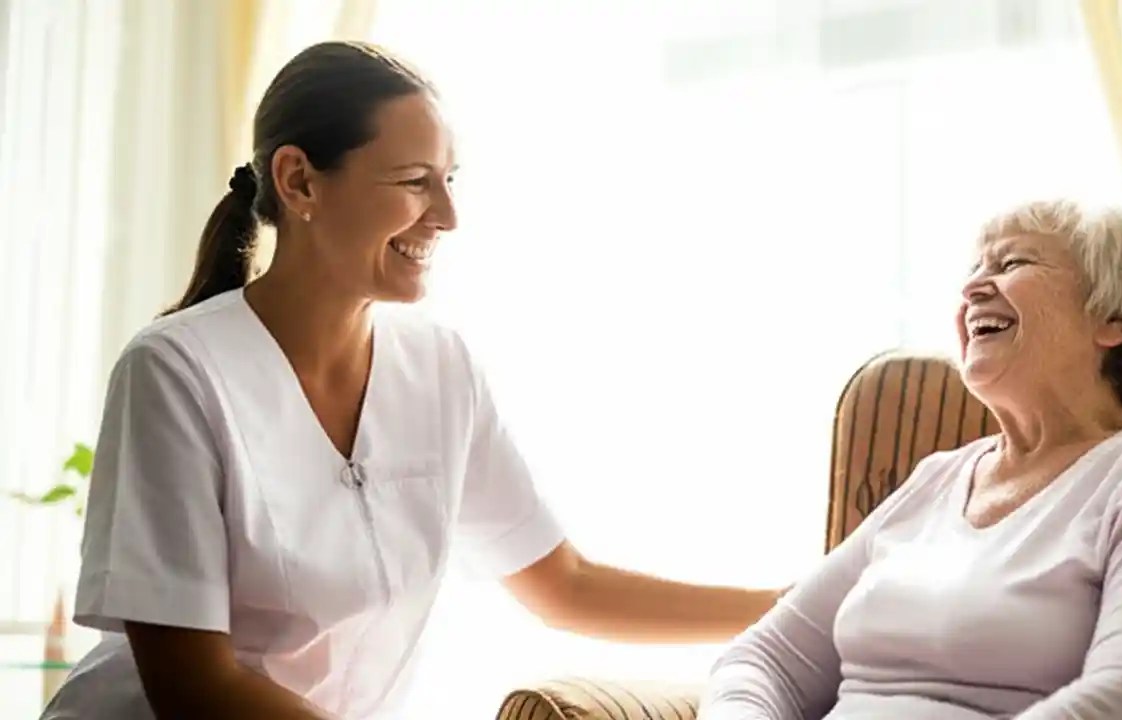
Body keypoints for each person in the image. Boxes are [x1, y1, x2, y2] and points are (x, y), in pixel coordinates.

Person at [41, 41, 784, 720]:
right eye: (413, 182)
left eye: (449, 179)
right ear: (299, 180)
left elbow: (565, 584)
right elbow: (196, 687)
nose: (449, 215)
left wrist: (792, 609)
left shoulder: (440, 369)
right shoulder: (176, 371)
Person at [698, 200, 1122, 720]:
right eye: (974, 268)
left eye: (1012, 262)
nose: (972, 287)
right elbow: (763, 660)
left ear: (1117, 317)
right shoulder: (936, 479)